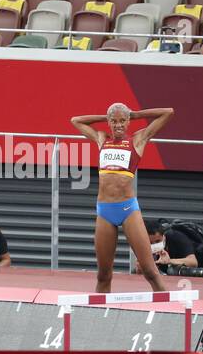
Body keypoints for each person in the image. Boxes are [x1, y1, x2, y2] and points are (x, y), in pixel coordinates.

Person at [70, 104, 174, 293]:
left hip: (128, 210)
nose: (118, 125)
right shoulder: (101, 138)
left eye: (122, 121)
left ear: (128, 122)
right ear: (109, 122)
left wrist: (133, 115)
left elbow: (168, 113)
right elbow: (76, 120)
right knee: (103, 275)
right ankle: (100, 315)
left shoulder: (138, 139)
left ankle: (170, 311)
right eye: (114, 121)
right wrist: (109, 115)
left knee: (150, 271)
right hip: (104, 211)